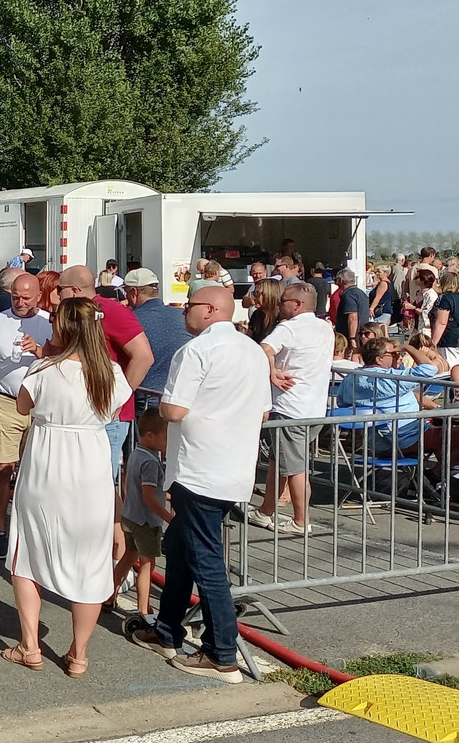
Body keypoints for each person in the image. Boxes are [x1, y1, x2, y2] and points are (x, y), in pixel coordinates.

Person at [128, 286, 270, 684]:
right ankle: (168, 629)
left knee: (206, 561)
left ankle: (221, 652)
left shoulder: (196, 351)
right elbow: (263, 410)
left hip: (199, 470)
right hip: (232, 469)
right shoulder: (252, 350)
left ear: (209, 310)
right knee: (180, 548)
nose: (183, 311)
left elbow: (173, 409)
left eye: (189, 304)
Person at [3, 298, 132, 676]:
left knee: (26, 552)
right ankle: (78, 653)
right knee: (91, 559)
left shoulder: (44, 369)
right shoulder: (110, 373)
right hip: (90, 468)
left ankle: (30, 646)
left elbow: (24, 407)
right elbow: (111, 412)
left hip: (46, 465)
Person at [0, 274, 53, 560]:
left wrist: (40, 350)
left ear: (39, 295)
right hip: (4, 402)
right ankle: (0, 531)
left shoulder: (49, 323)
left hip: (41, 404)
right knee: (1, 469)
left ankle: (32, 531)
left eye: (26, 297)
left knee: (37, 473)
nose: (20, 302)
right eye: (15, 296)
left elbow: (64, 360)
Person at [47, 266, 153, 482]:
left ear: (74, 290)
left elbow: (143, 357)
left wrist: (117, 399)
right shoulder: (70, 314)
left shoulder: (111, 311)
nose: (57, 294)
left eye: (60, 289)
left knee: (99, 485)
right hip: (78, 412)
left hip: (106, 415)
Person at [247, 283, 331, 536]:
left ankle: (301, 521)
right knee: (278, 459)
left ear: (297, 304)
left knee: (294, 468)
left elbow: (263, 349)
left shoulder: (288, 328)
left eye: (284, 300)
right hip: (314, 406)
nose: (279, 303)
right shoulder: (325, 327)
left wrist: (271, 371)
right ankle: (266, 511)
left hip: (291, 406)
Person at [112, 409, 170, 618]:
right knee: (147, 565)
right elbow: (149, 496)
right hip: (146, 522)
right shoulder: (151, 463)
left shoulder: (136, 454)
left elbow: (141, 488)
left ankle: (110, 594)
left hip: (130, 516)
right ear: (150, 436)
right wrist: (168, 517)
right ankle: (144, 609)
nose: (168, 441)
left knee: (128, 557)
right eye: (166, 436)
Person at [125, 268, 188, 399]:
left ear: (133, 292)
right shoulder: (182, 316)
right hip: (179, 396)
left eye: (125, 292)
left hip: (143, 396)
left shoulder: (129, 320)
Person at [333, 269, 368, 351]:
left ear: (341, 280)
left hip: (352, 336)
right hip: (361, 333)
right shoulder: (361, 293)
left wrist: (352, 338)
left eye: (336, 280)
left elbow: (353, 317)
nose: (335, 283)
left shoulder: (349, 295)